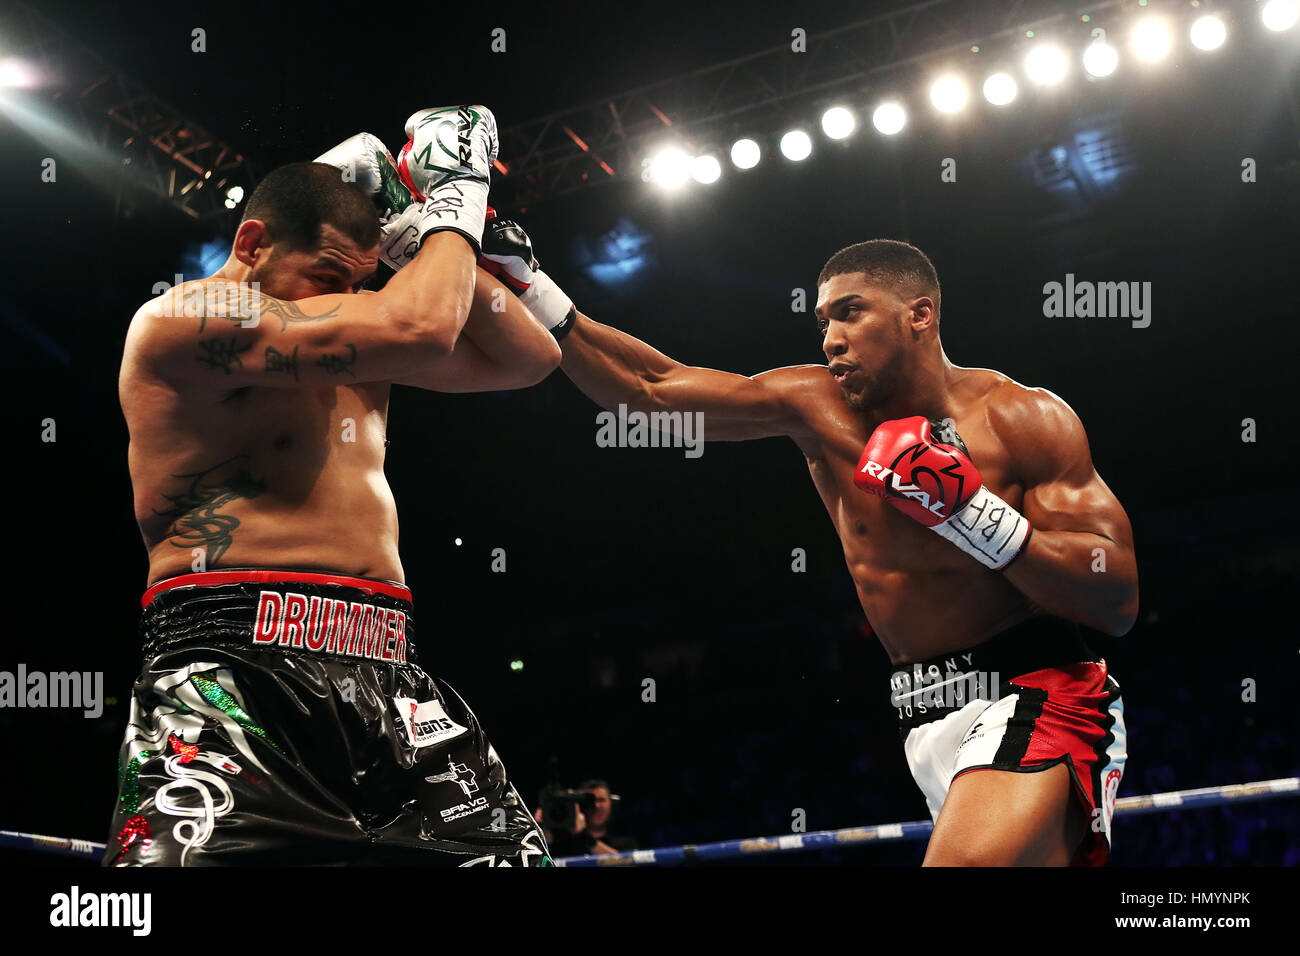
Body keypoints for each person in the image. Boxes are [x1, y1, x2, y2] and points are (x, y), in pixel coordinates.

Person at [483, 225, 1135, 866]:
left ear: (920, 314)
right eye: (823, 322)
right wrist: (536, 291)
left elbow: (1117, 597)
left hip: (1036, 691)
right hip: (922, 715)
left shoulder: (1020, 418)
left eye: (850, 314)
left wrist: (976, 516)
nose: (831, 340)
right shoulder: (814, 406)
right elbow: (648, 389)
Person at [107, 105, 561, 866]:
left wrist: (423, 233)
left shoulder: (360, 329)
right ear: (251, 243)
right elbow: (424, 328)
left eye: (356, 282)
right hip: (233, 672)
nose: (339, 299)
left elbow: (529, 358)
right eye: (324, 276)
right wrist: (458, 199)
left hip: (390, 668)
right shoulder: (184, 320)